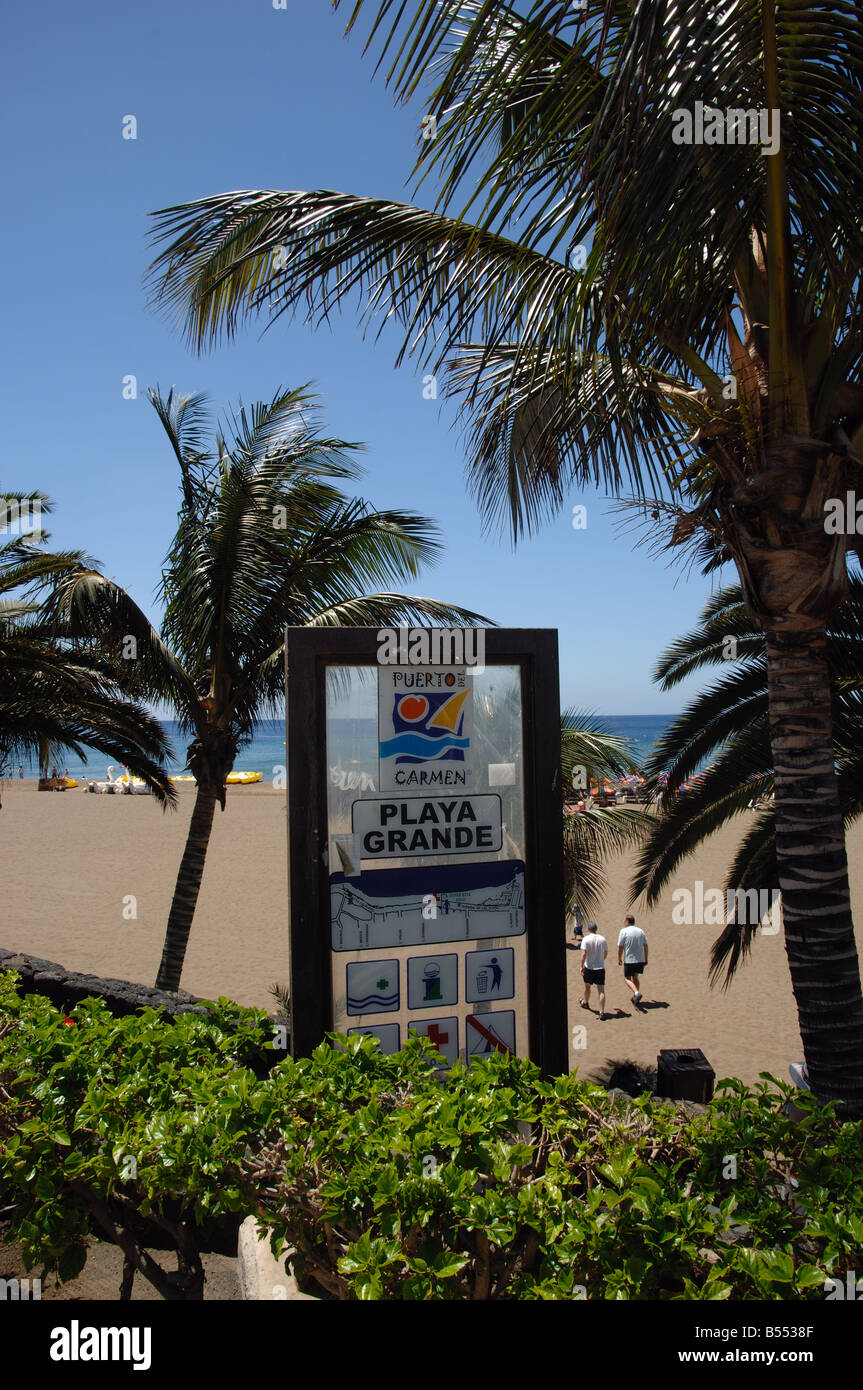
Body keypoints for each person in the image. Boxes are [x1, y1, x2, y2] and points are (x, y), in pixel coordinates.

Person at [618, 914, 648, 1004]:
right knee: (635, 977)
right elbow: (645, 946)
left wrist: (619, 958)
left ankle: (636, 993)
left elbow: (620, 946)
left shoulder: (623, 931)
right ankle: (636, 997)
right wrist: (646, 958)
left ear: (627, 922)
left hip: (629, 959)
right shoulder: (640, 931)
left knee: (627, 978)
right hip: (640, 959)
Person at [580, 921, 608, 1018]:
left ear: (588, 929)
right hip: (600, 967)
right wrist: (601, 959)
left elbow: (583, 954)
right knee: (601, 990)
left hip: (589, 967)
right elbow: (605, 952)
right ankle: (602, 1011)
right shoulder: (602, 939)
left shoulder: (586, 939)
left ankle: (585, 1002)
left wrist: (581, 966)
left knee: (587, 987)